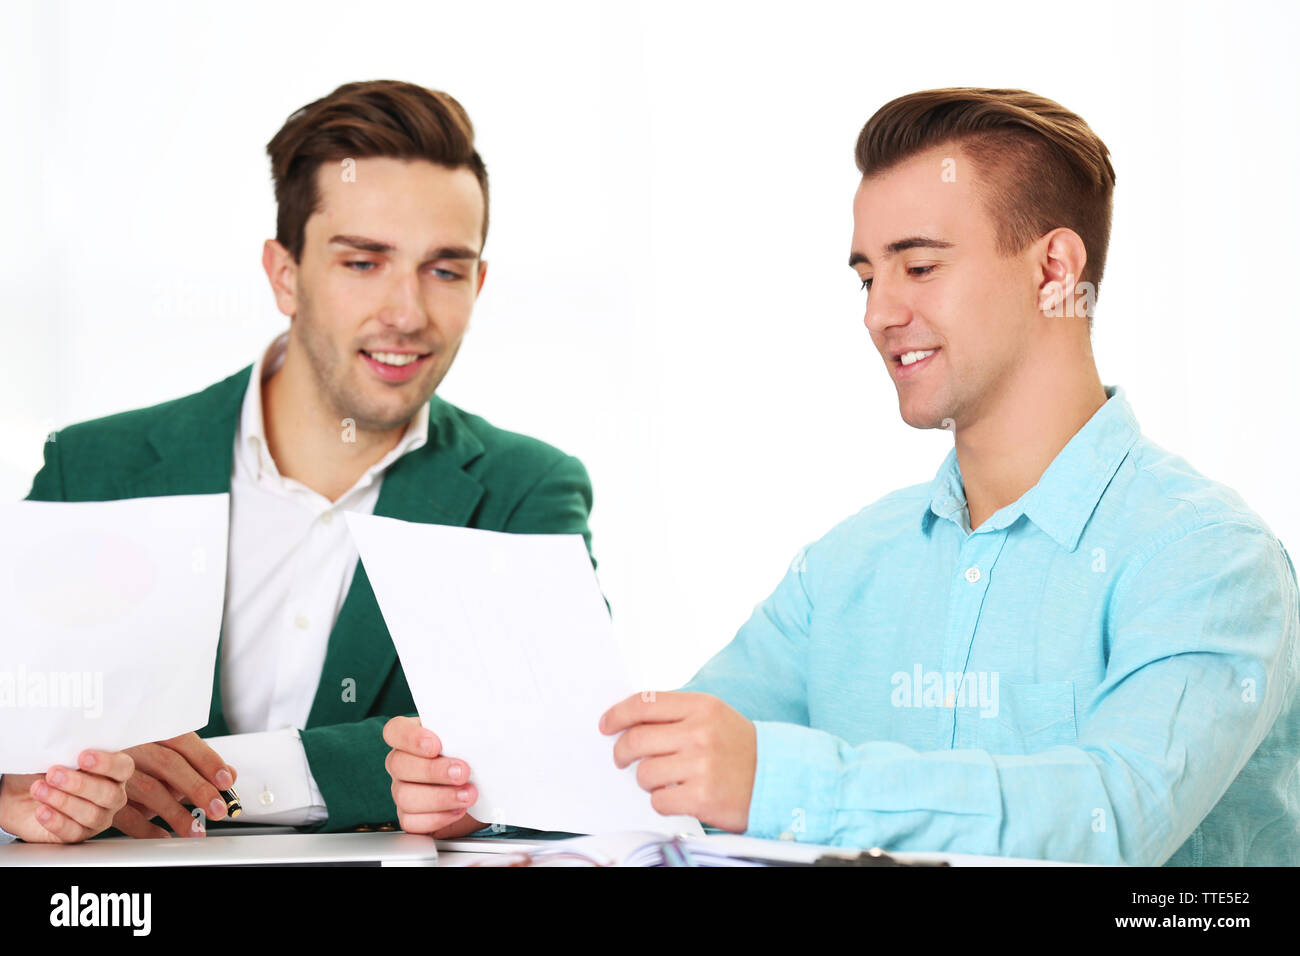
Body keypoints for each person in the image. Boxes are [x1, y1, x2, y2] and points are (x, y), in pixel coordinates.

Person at [388, 87, 1300, 865]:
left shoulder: (1208, 559)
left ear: (1056, 269)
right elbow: (668, 770)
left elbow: (1116, 814)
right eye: (867, 274)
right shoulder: (847, 567)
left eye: (920, 265)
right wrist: (501, 792)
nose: (879, 312)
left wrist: (782, 782)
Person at [23, 80, 594, 840]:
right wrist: (19, 791)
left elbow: (551, 746)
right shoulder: (91, 472)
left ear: (478, 283)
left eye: (445, 269)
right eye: (364, 263)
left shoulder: (525, 492)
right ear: (284, 274)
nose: (409, 313)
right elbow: (15, 730)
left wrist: (215, 779)